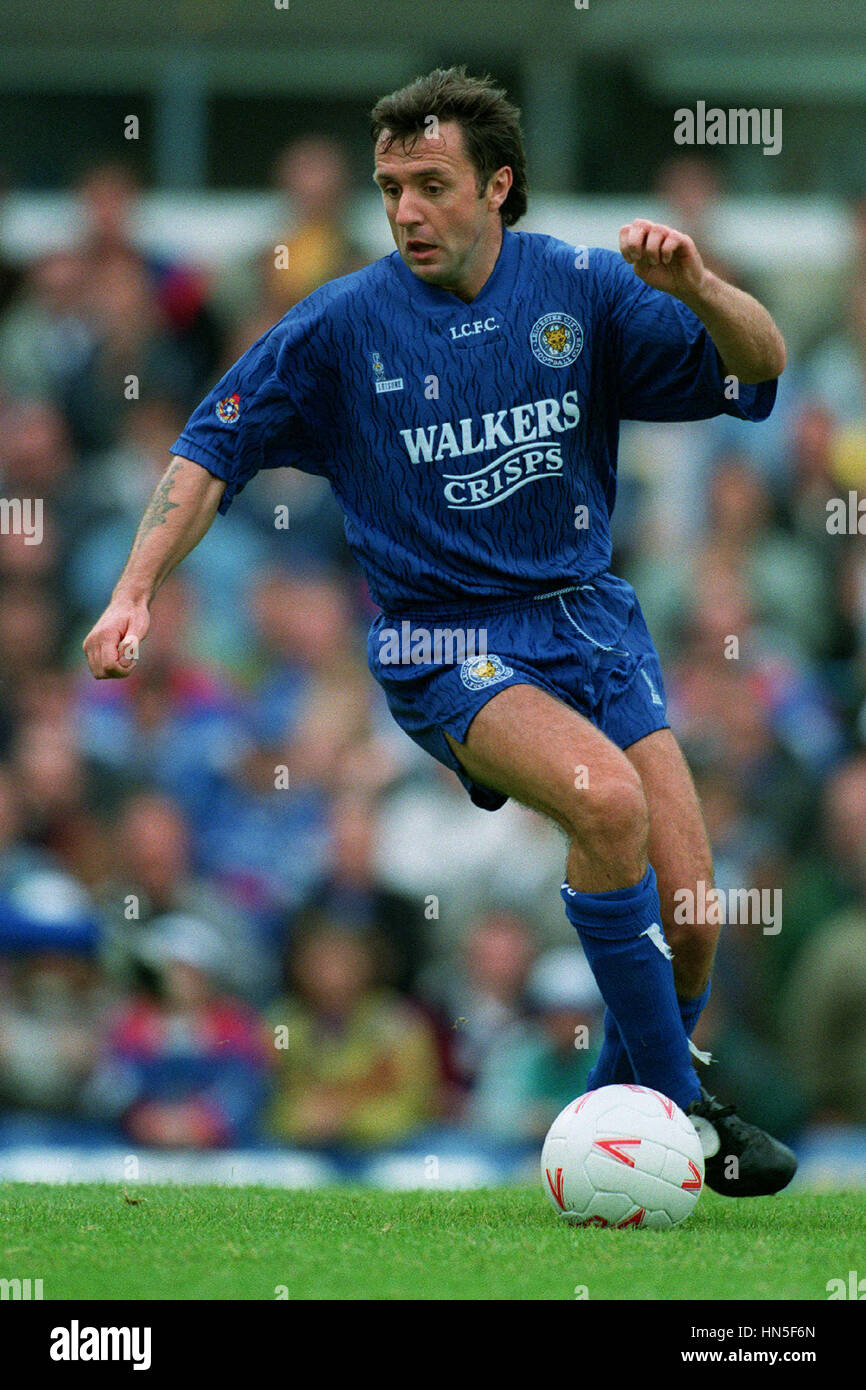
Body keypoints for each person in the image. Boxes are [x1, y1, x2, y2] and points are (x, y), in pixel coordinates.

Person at [82, 66, 795, 1196]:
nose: (405, 209)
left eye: (430, 184)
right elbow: (208, 449)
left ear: (496, 187)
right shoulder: (339, 324)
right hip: (442, 642)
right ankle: (691, 1117)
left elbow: (758, 365)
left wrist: (699, 284)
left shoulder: (583, 289)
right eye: (388, 187)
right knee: (604, 803)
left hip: (590, 623)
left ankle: (620, 1131)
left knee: (693, 915)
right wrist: (134, 590)